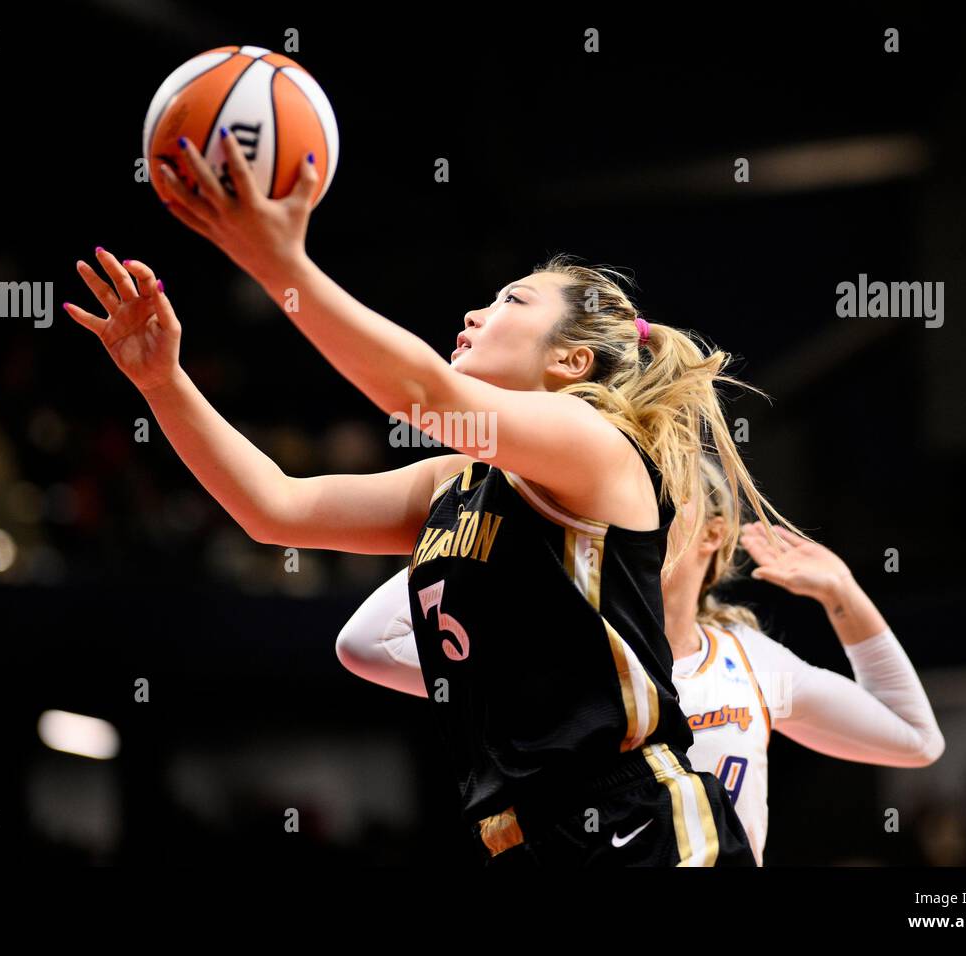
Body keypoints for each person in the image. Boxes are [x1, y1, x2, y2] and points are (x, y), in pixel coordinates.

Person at [65, 131, 800, 865]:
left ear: (571, 361)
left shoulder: (593, 445)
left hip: (636, 820)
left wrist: (280, 263)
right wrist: (162, 383)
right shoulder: (457, 481)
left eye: (510, 300)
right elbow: (274, 508)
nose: (476, 313)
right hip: (525, 836)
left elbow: (421, 393)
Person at [337, 456, 945, 864]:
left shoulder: (750, 661)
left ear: (712, 531)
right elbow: (363, 646)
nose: (636, 509)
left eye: (662, 498)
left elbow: (917, 740)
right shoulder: (569, 656)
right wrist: (487, 518)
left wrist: (844, 594)